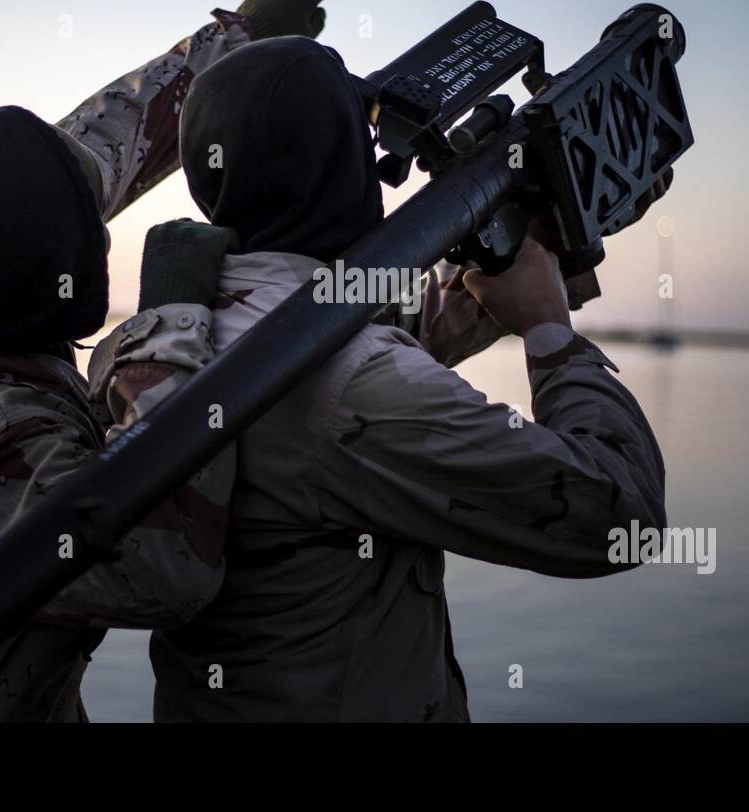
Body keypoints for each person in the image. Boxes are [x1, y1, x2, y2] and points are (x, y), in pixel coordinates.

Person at [0, 0, 351, 721]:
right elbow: (164, 569)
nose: (99, 235)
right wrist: (172, 319)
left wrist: (242, 35)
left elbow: (111, 134)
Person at [143, 35, 668, 722]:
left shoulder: (198, 323)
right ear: (343, 165)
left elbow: (404, 328)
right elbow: (620, 516)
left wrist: (563, 219)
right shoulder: (349, 379)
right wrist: (551, 336)